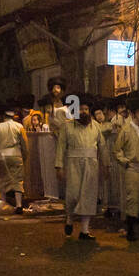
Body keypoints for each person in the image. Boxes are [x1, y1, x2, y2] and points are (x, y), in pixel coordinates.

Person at [55, 96, 102, 240]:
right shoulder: (67, 126)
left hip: (91, 165)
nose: (84, 112)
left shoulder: (96, 126)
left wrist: (105, 165)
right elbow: (61, 147)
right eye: (81, 109)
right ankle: (69, 218)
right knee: (73, 195)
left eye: (86, 109)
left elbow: (103, 147)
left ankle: (84, 231)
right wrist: (59, 166)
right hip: (73, 164)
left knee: (88, 197)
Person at [115, 91, 139, 240]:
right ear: (133, 113)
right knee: (133, 198)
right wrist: (125, 162)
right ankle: (131, 230)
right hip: (133, 169)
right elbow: (117, 150)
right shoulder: (125, 131)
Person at [0, 102, 28, 212]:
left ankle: (3, 205)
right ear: (13, 115)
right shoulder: (19, 126)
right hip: (16, 155)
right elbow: (24, 144)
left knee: (2, 179)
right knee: (17, 180)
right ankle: (18, 205)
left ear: (4, 115)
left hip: (2, 155)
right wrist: (25, 155)